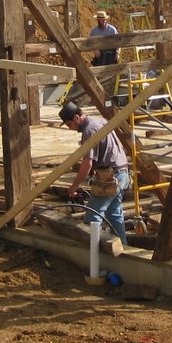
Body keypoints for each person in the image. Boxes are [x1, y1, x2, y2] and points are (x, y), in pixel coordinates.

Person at [60, 101, 131, 242]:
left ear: (76, 118)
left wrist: (74, 186)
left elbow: (87, 163)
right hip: (122, 173)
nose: (71, 128)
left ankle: (92, 257)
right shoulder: (99, 121)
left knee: (93, 217)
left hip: (110, 177)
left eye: (70, 124)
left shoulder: (89, 130)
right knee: (114, 214)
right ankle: (124, 250)